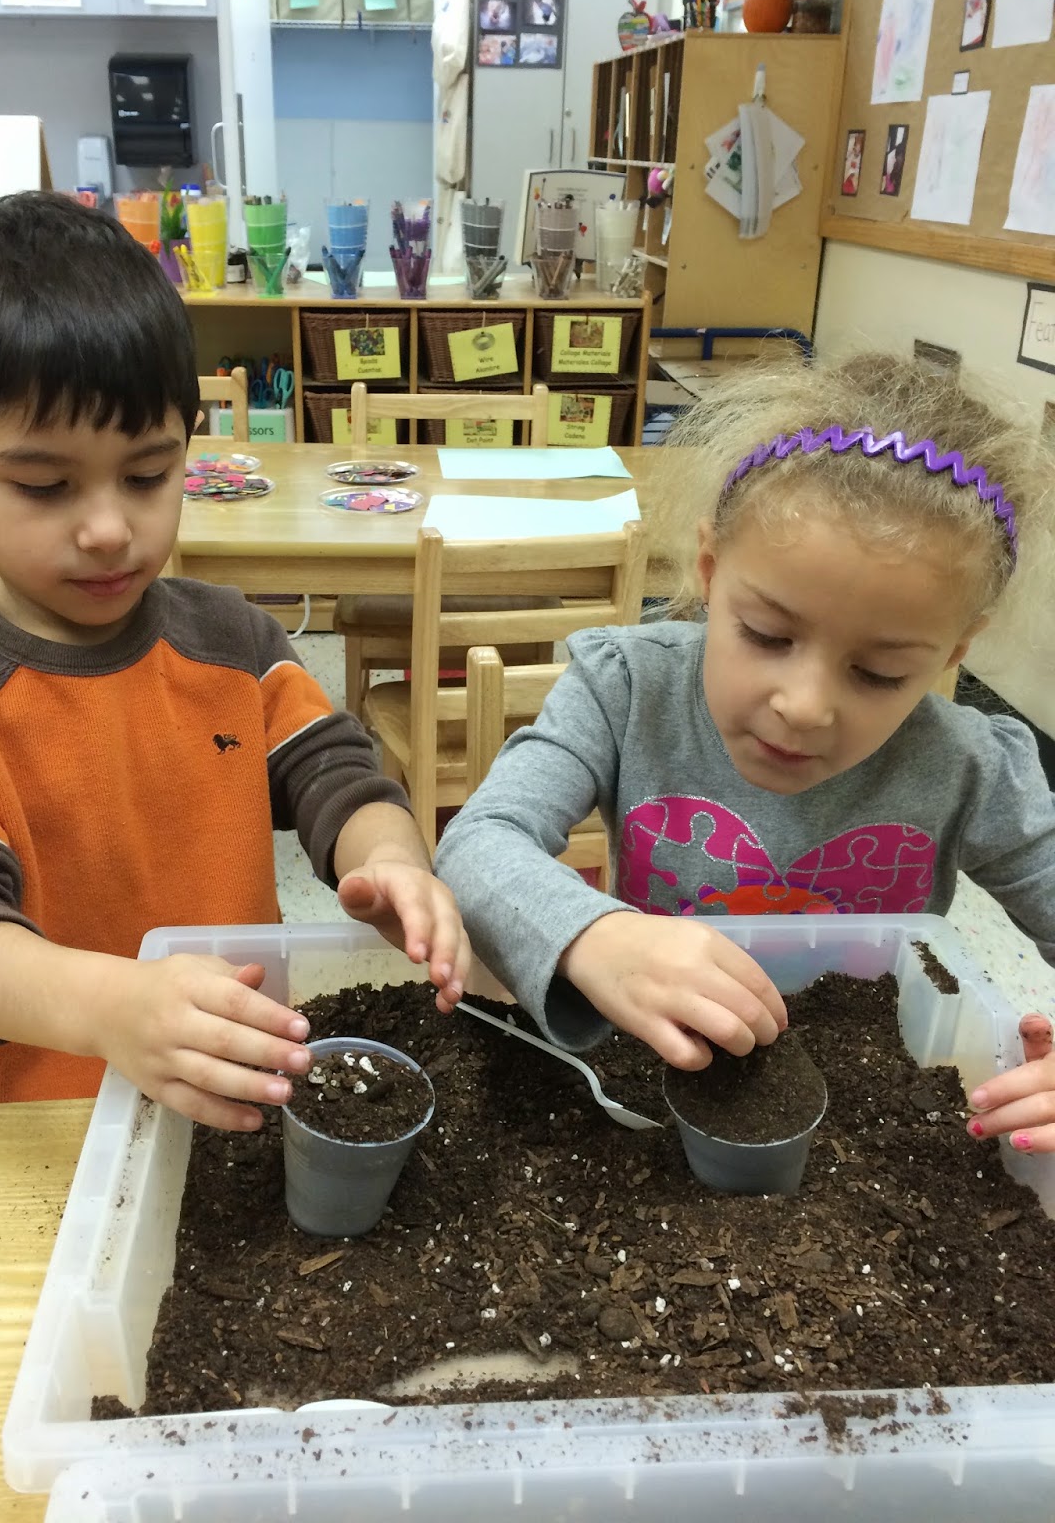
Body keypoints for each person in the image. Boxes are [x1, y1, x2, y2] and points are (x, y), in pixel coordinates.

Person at [0, 191, 470, 1125]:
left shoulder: (236, 644)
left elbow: (333, 772)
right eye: (43, 485)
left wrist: (389, 860)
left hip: (230, 1096)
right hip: (30, 1127)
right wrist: (114, 1008)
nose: (109, 529)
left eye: (148, 475)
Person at [435, 353, 1055, 1153]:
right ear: (708, 570)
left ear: (949, 655)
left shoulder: (974, 767)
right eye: (766, 635)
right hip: (657, 1059)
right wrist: (596, 936)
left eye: (879, 673)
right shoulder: (625, 689)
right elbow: (477, 843)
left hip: (863, 1111)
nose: (803, 706)